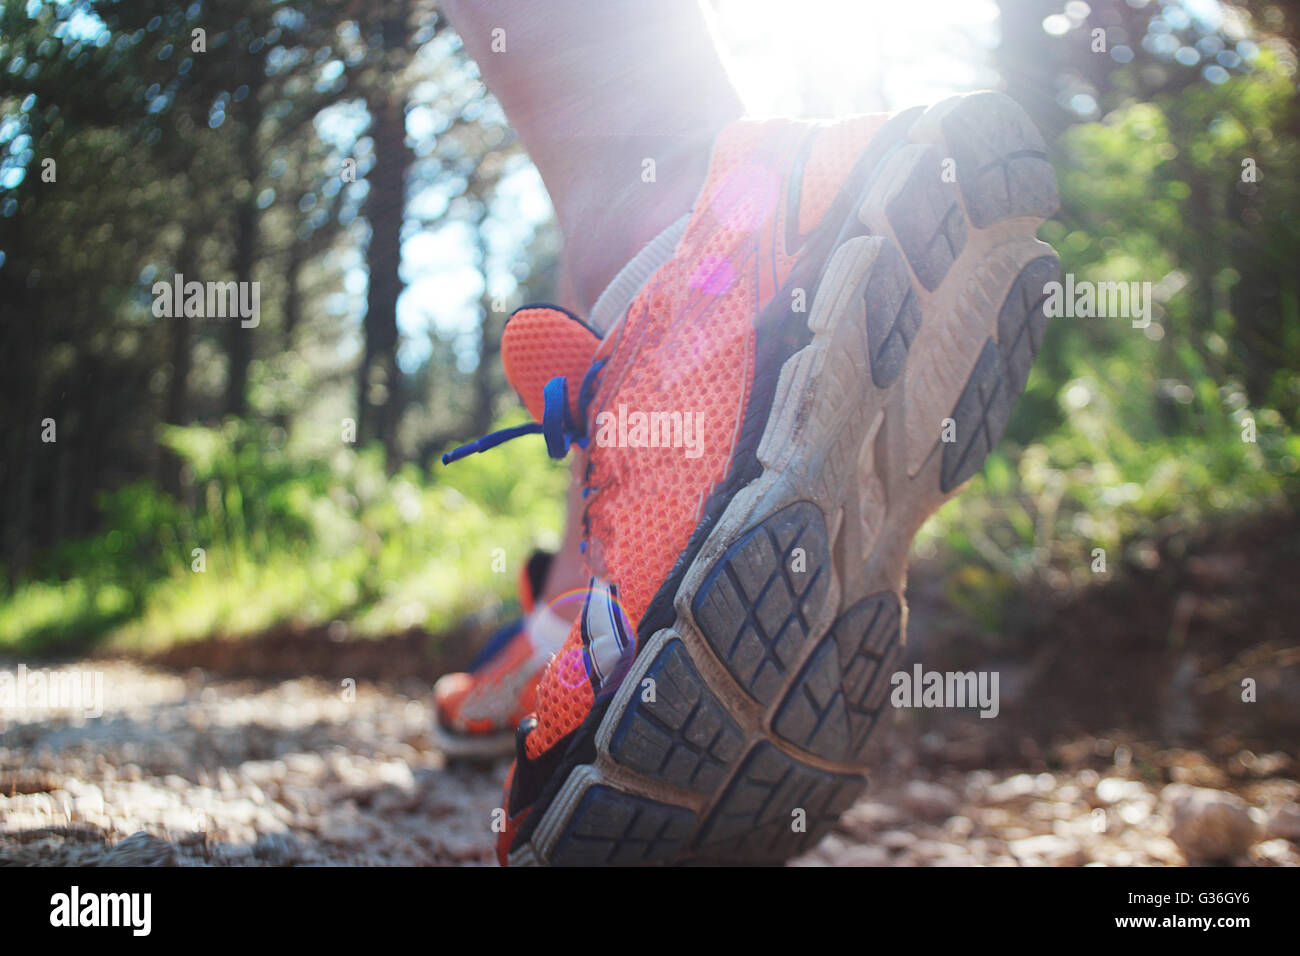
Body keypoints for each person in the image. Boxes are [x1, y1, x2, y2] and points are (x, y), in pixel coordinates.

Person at [433, 0, 1060, 866]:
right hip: (754, 222)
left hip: (721, 249)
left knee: (631, 218)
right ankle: (583, 591)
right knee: (619, 352)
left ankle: (677, 235)